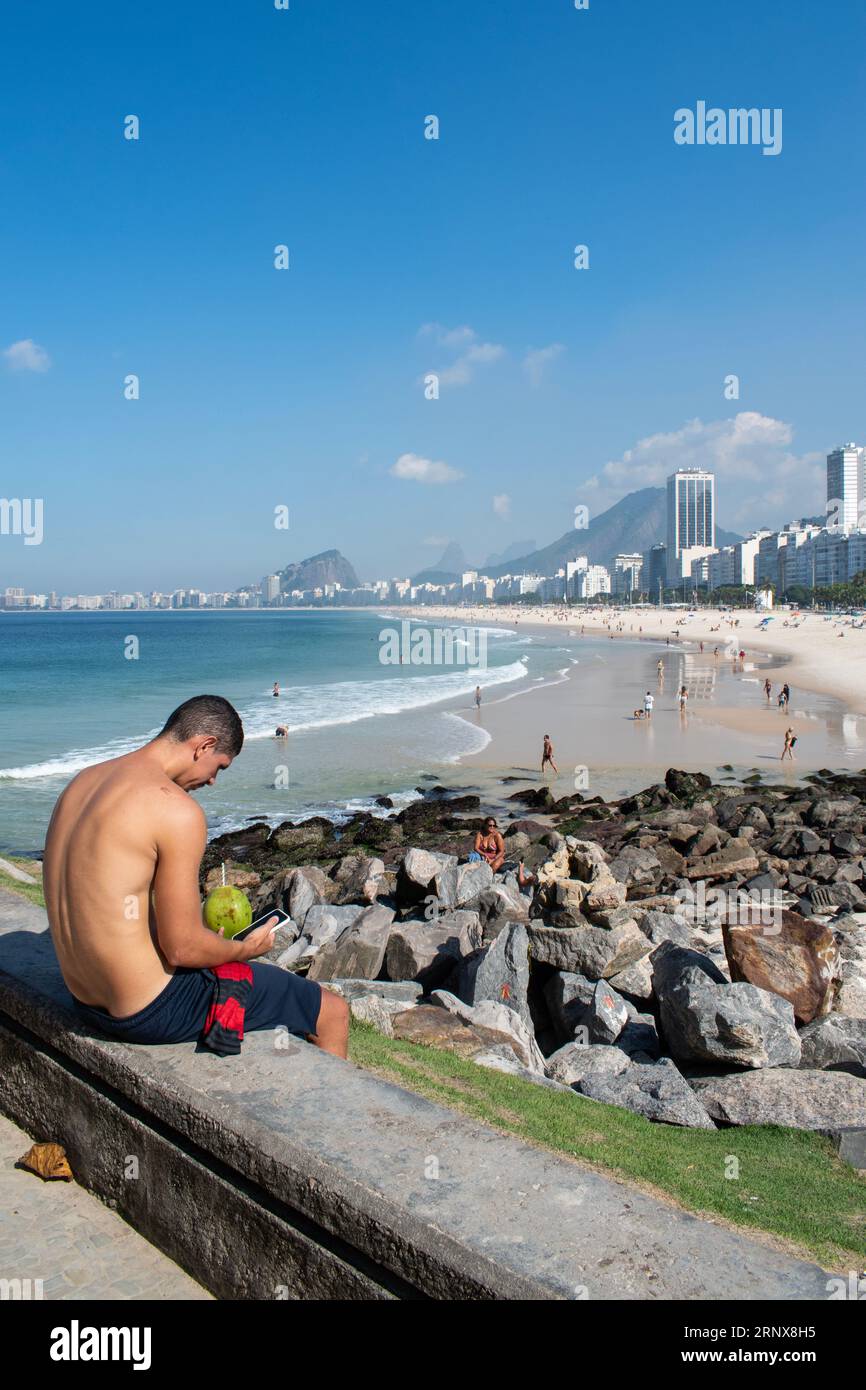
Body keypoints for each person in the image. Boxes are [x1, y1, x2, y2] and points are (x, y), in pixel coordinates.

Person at [42, 695, 349, 1056]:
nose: (213, 781)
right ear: (203, 745)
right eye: (219, 766)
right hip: (149, 1011)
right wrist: (242, 949)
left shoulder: (83, 782)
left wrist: (206, 943)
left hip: (85, 1000)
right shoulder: (176, 810)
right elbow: (182, 947)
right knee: (331, 1011)